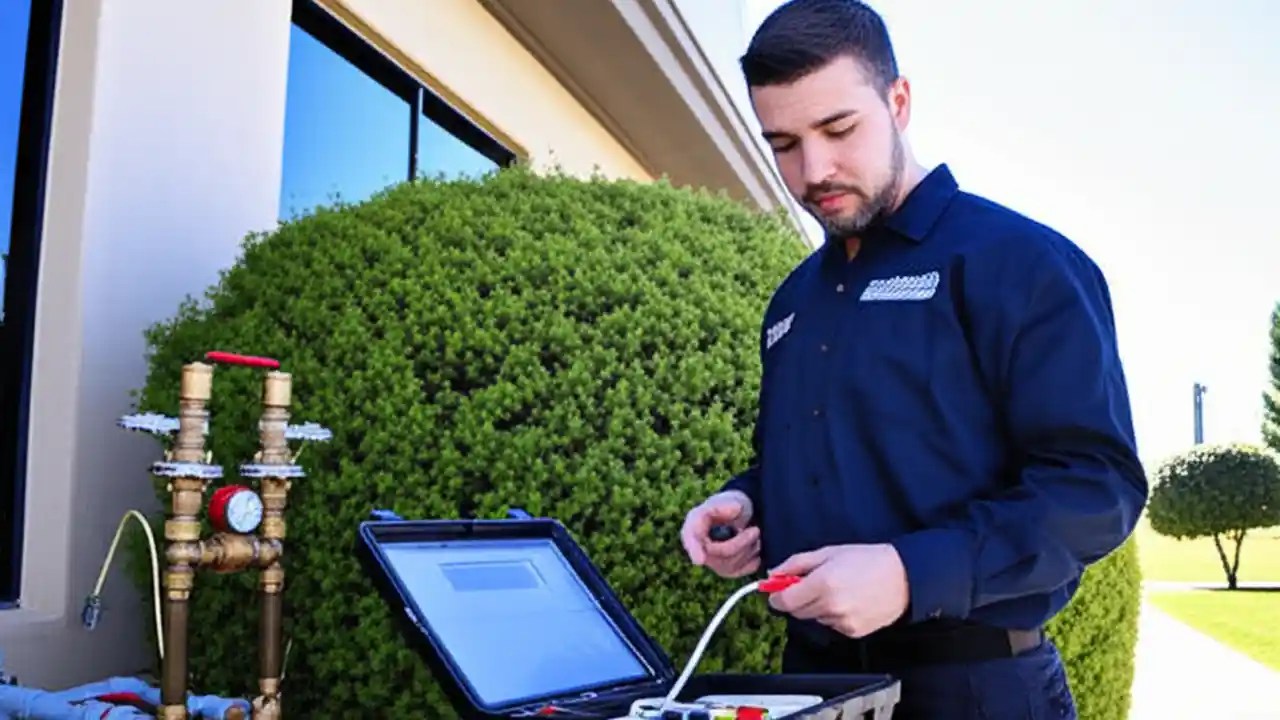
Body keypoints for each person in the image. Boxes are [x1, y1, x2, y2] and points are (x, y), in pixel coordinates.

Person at [678, 1, 1148, 717]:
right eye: (783, 144)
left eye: (839, 129)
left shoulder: (1021, 263)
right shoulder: (792, 304)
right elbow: (835, 463)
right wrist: (750, 504)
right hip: (810, 686)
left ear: (898, 101)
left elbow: (1097, 489)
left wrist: (906, 574)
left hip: (974, 687)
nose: (814, 169)